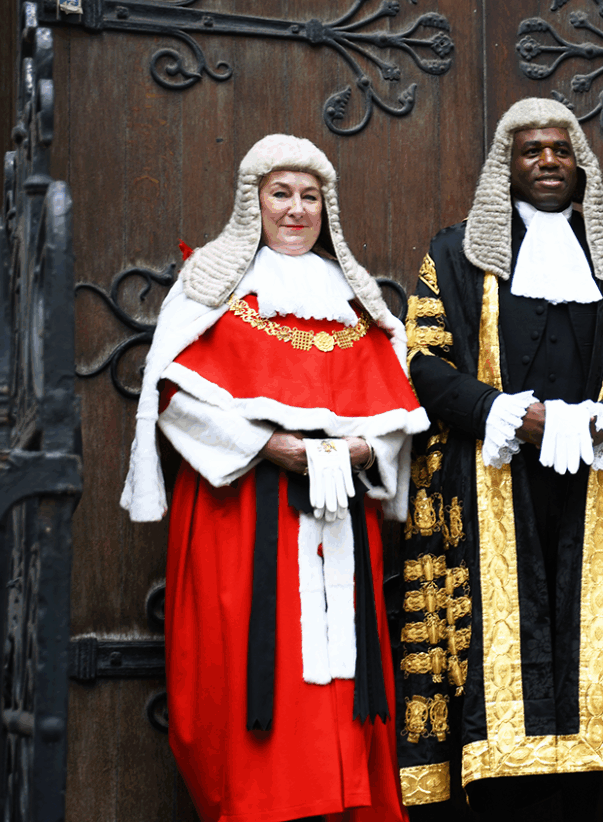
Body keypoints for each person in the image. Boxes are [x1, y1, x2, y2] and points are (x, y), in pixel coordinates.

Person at [396, 98, 603, 822]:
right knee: (498, 666)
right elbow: (422, 361)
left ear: (580, 163)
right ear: (508, 166)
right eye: (531, 151)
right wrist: (504, 413)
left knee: (599, 659)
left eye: (560, 149)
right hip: (492, 486)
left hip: (599, 488)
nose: (548, 161)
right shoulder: (456, 256)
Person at [119, 134, 428, 822]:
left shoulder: (356, 300)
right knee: (252, 675)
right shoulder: (211, 290)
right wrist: (266, 444)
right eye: (280, 193)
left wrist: (361, 448)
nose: (295, 210)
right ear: (251, 201)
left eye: (309, 197)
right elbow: (172, 396)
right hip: (243, 512)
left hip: (338, 515)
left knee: (342, 687)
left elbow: (395, 408)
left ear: (327, 207)